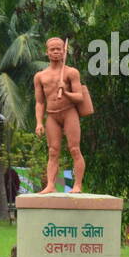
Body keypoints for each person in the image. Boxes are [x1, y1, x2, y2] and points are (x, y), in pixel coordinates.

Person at [34, 37, 87, 193]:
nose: (56, 52)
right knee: (53, 151)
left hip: (69, 112)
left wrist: (65, 92)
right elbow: (40, 102)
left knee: (74, 149)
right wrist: (39, 122)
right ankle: (51, 185)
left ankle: (77, 185)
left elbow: (79, 97)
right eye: (52, 49)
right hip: (52, 116)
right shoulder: (40, 76)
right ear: (47, 52)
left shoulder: (71, 72)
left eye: (59, 49)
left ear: (64, 51)